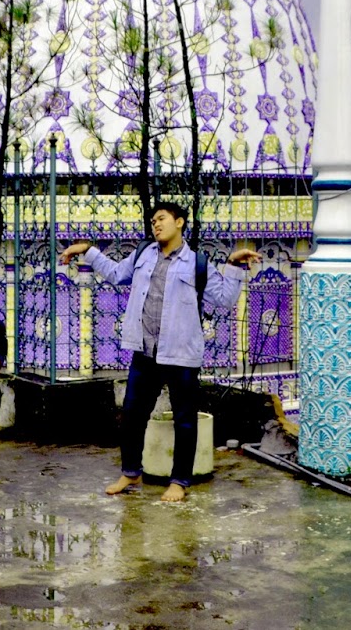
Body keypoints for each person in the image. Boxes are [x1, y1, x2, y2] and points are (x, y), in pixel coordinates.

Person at [60, 202, 259, 503]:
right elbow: (115, 274)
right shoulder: (143, 254)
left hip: (180, 353)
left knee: (185, 420)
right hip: (145, 351)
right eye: (153, 220)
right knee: (131, 415)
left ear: (179, 222)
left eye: (162, 219)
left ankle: (179, 481)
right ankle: (130, 472)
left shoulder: (197, 263)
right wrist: (87, 251)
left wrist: (233, 265)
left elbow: (224, 299)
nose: (156, 224)